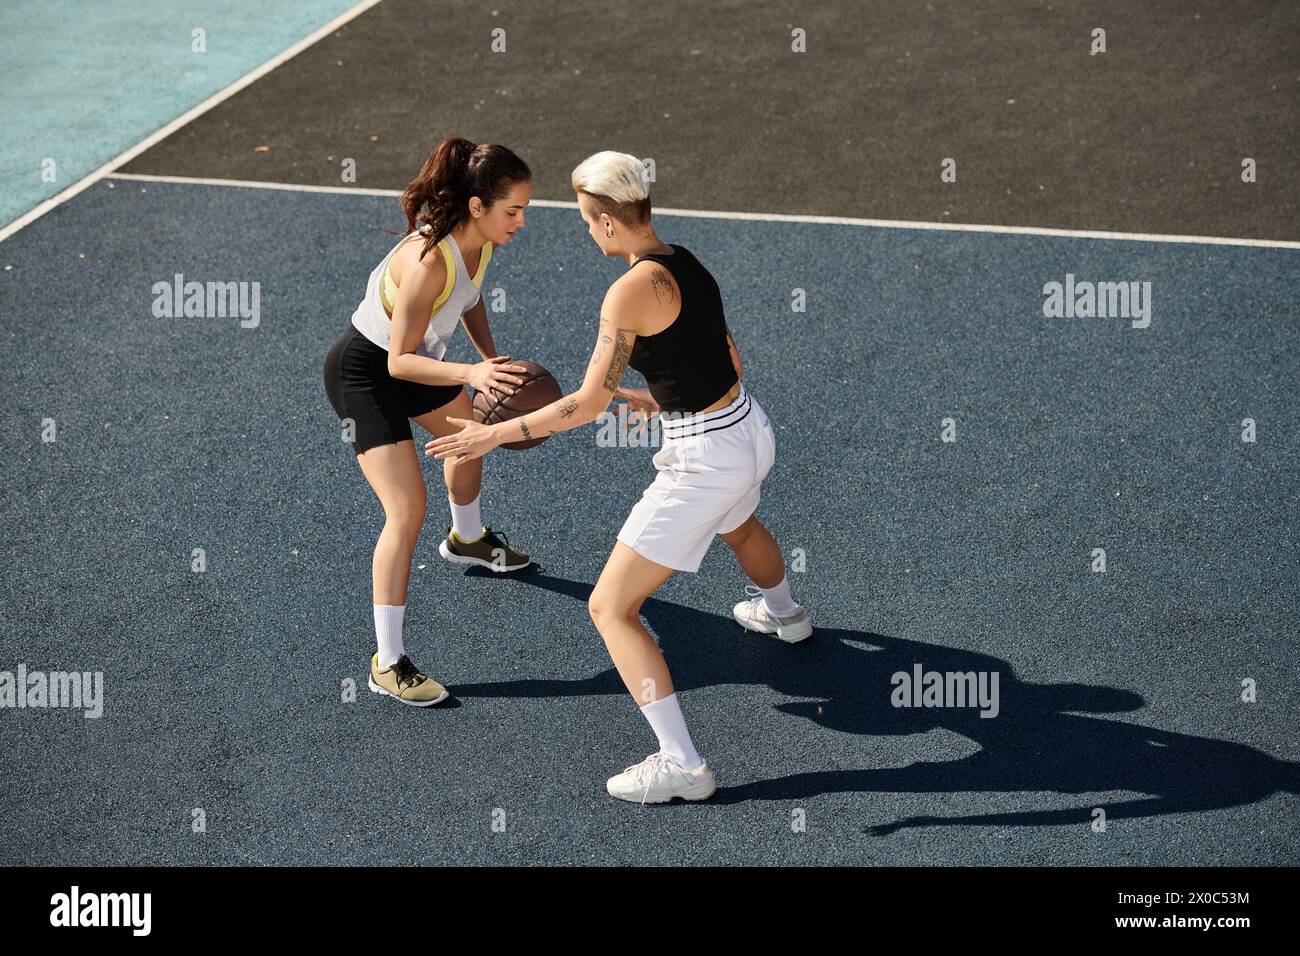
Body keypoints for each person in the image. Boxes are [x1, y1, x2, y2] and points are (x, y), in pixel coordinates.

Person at [427, 150, 812, 800]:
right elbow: (729, 363)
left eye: (585, 219)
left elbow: (584, 404)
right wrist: (658, 396)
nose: (586, 231)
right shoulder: (686, 261)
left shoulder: (627, 291)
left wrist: (491, 432)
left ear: (607, 220)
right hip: (748, 430)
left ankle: (683, 765)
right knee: (740, 526)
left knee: (612, 608)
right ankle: (786, 615)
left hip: (705, 460)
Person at [323, 136, 533, 707]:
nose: (520, 222)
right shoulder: (426, 260)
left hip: (421, 369)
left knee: (474, 441)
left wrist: (487, 358)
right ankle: (386, 662)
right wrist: (470, 375)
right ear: (476, 207)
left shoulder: (481, 245)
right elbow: (396, 360)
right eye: (512, 211)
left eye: (524, 211)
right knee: (406, 509)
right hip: (366, 373)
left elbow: (470, 300)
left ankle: (466, 538)